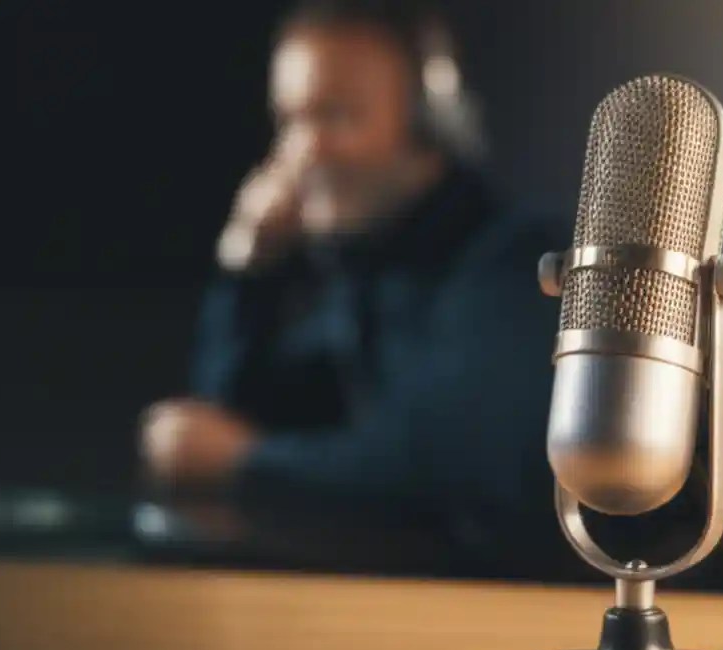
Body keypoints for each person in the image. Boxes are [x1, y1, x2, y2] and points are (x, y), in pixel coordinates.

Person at [139, 0, 563, 570]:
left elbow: (443, 474)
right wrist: (248, 271)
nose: (303, 150)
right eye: (290, 121)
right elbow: (232, 411)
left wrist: (243, 462)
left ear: (428, 122)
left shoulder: (516, 264)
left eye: (336, 116)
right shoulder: (364, 278)